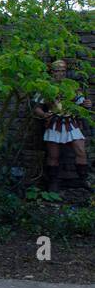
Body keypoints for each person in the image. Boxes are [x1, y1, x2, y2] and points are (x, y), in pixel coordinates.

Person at [32, 59, 91, 192]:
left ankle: (83, 180)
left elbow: (81, 104)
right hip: (53, 123)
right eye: (57, 71)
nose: (60, 73)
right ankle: (53, 182)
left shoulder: (73, 86)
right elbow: (37, 108)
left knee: (81, 151)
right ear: (52, 72)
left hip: (71, 122)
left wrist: (86, 105)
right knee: (53, 155)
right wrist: (43, 115)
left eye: (63, 71)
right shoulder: (45, 87)